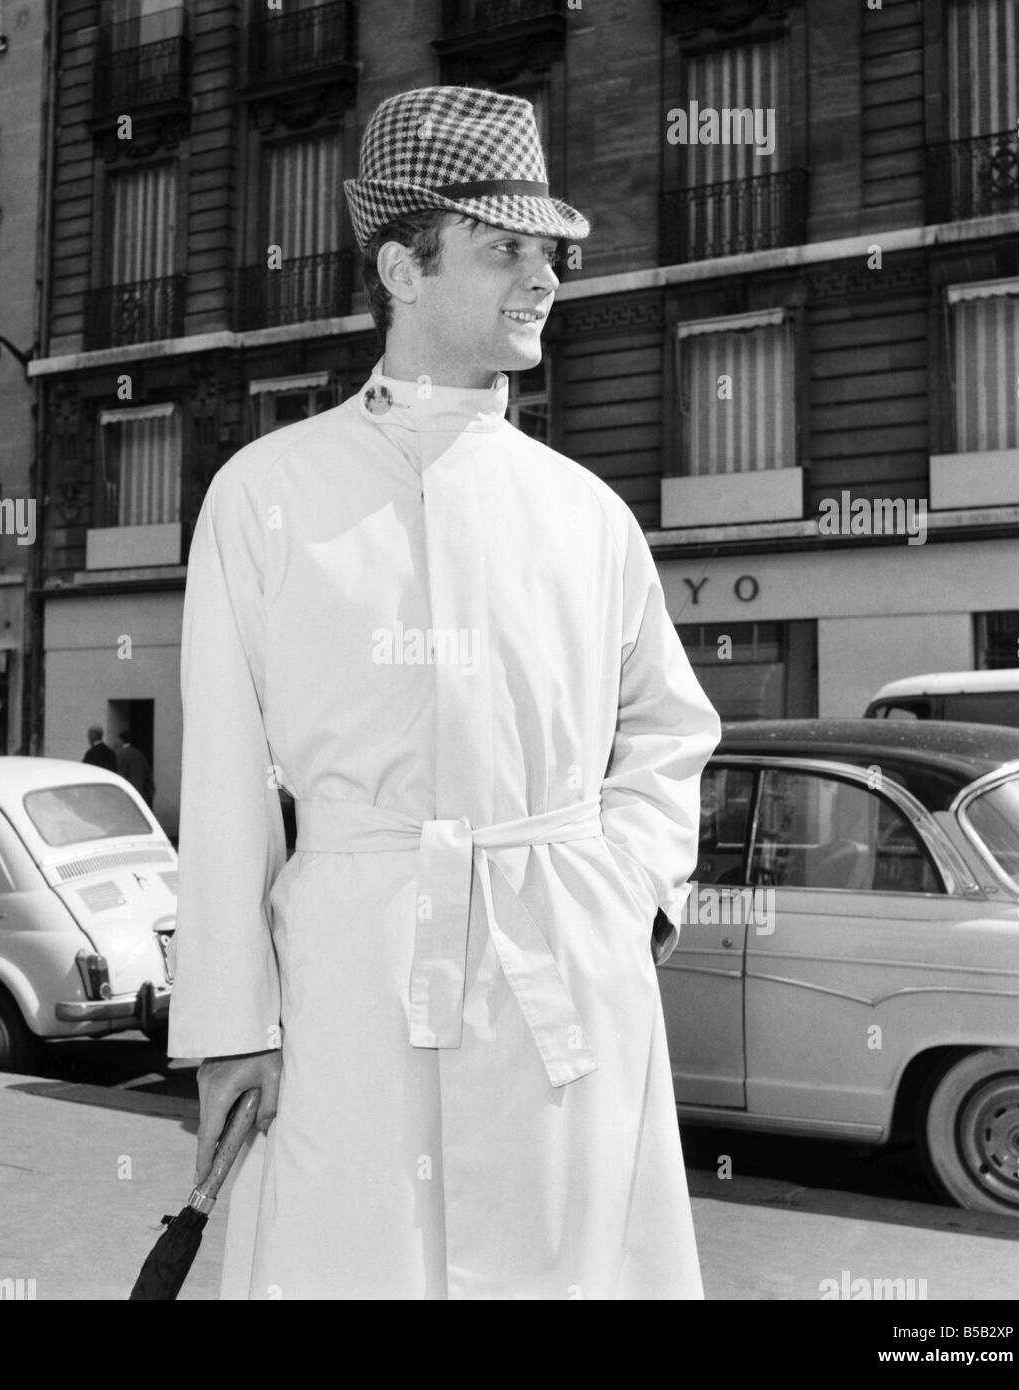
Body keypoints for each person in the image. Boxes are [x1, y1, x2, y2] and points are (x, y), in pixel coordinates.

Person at [168, 87, 721, 1300]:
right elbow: (219, 790)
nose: (545, 281)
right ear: (399, 268)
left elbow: (668, 731)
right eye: (503, 248)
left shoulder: (587, 512)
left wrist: (619, 901)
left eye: (550, 254)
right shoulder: (266, 495)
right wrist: (230, 1029)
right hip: (344, 994)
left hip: (558, 981)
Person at [114, 730, 155, 807]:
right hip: (140, 794)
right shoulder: (139, 753)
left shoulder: (120, 754)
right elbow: (147, 773)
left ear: (121, 740)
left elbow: (121, 775)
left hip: (127, 795)